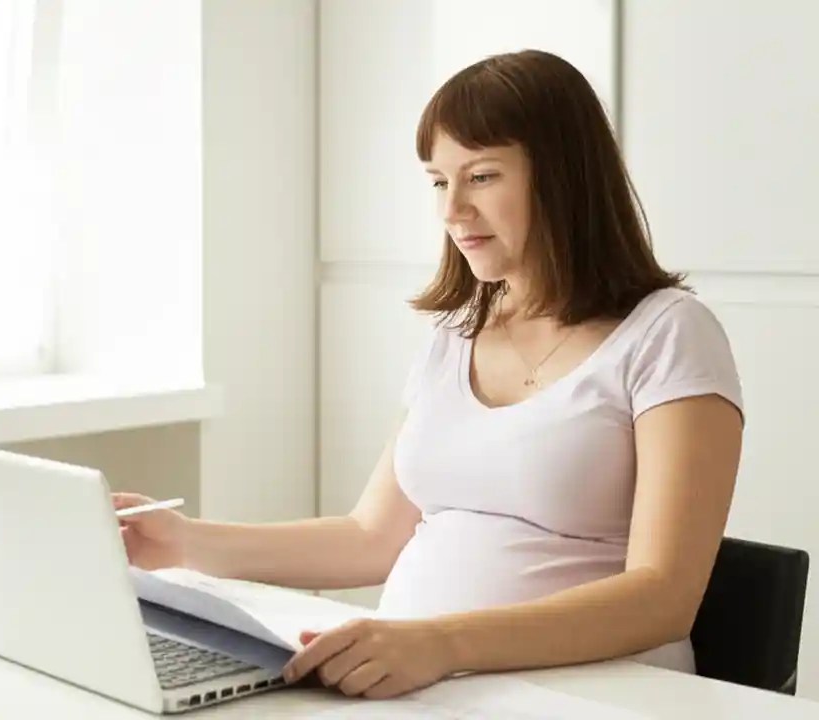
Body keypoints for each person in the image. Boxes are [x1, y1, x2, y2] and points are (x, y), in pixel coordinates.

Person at [116, 48, 747, 700]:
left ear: (563, 178)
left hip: (597, 695)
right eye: (439, 182)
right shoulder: (456, 335)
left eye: (481, 177)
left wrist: (442, 643)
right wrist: (185, 543)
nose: (452, 212)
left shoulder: (668, 333)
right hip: (432, 688)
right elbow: (370, 538)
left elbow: (663, 595)